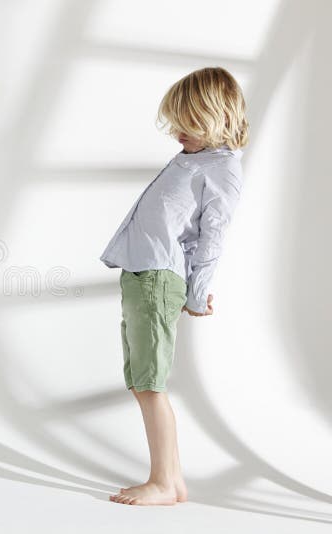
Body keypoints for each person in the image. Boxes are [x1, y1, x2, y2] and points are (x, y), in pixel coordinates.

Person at [99, 66, 249, 505]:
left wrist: (198, 291)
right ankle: (174, 481)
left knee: (150, 380)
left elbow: (212, 235)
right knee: (139, 378)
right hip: (141, 273)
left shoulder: (221, 168)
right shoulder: (192, 159)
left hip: (158, 278)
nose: (176, 131)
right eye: (175, 121)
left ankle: (162, 481)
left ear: (216, 117)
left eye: (188, 122)